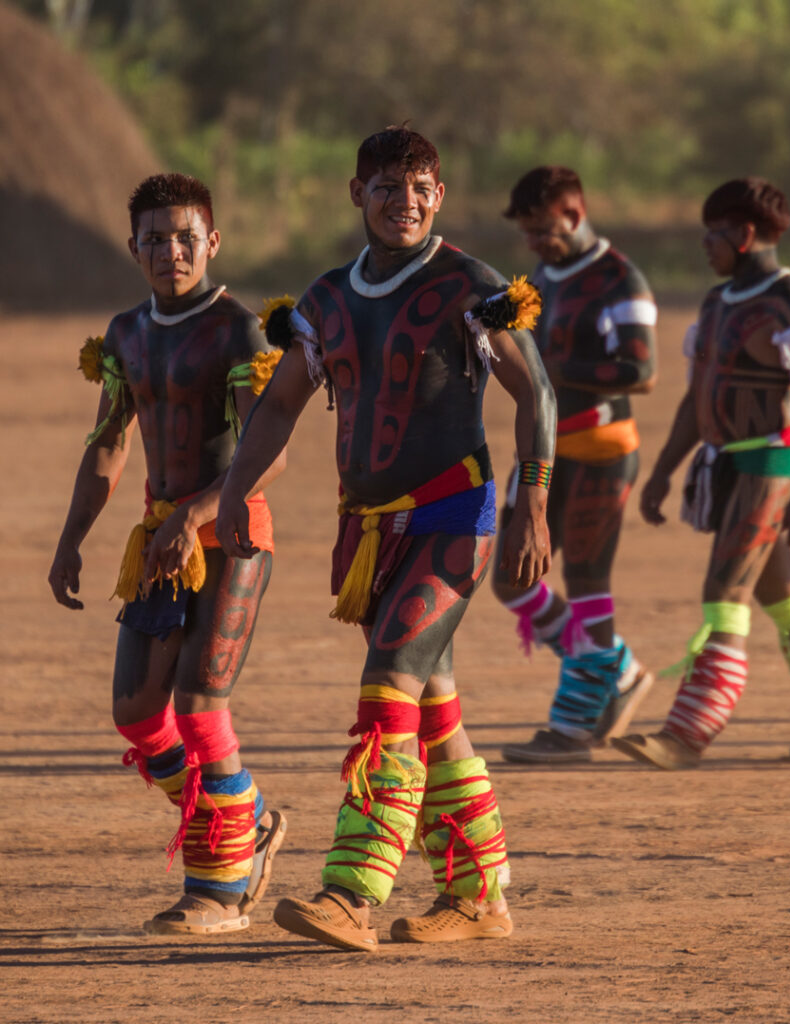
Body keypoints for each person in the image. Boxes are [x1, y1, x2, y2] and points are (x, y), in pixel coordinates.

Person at [216, 126, 556, 952]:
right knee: (432, 710)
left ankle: (351, 894)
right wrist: (232, 490)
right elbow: (281, 406)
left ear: (438, 197)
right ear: (357, 193)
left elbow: (537, 392)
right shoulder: (327, 300)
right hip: (368, 533)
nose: (403, 202)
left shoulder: (471, 285)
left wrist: (533, 503)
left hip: (454, 514)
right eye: (386, 188)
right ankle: (480, 897)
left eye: (419, 189)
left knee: (388, 685)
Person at [48, 173, 288, 933]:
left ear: (212, 242)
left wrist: (194, 515)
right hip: (159, 541)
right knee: (136, 715)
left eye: (186, 238)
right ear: (134, 248)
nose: (172, 251)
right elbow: (108, 445)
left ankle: (218, 890)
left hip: (232, 536)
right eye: (156, 239)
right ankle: (239, 812)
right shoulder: (124, 335)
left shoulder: (239, 330)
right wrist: (70, 541)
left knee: (197, 703)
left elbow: (268, 449)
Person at [612, 177, 790, 770]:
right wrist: (664, 470)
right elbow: (696, 395)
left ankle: (685, 737)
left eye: (713, 234)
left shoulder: (787, 301)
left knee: (723, 592)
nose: (705, 244)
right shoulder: (715, 302)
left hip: (773, 461)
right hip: (725, 463)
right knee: (782, 594)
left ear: (745, 235)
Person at [493, 166, 658, 765]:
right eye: (528, 234)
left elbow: (642, 371)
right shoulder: (542, 276)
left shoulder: (620, 279)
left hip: (603, 449)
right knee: (511, 578)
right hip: (546, 451)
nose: (535, 243)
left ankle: (575, 727)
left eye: (543, 229)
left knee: (588, 583)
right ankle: (611, 667)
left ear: (573, 211)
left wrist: (559, 376)